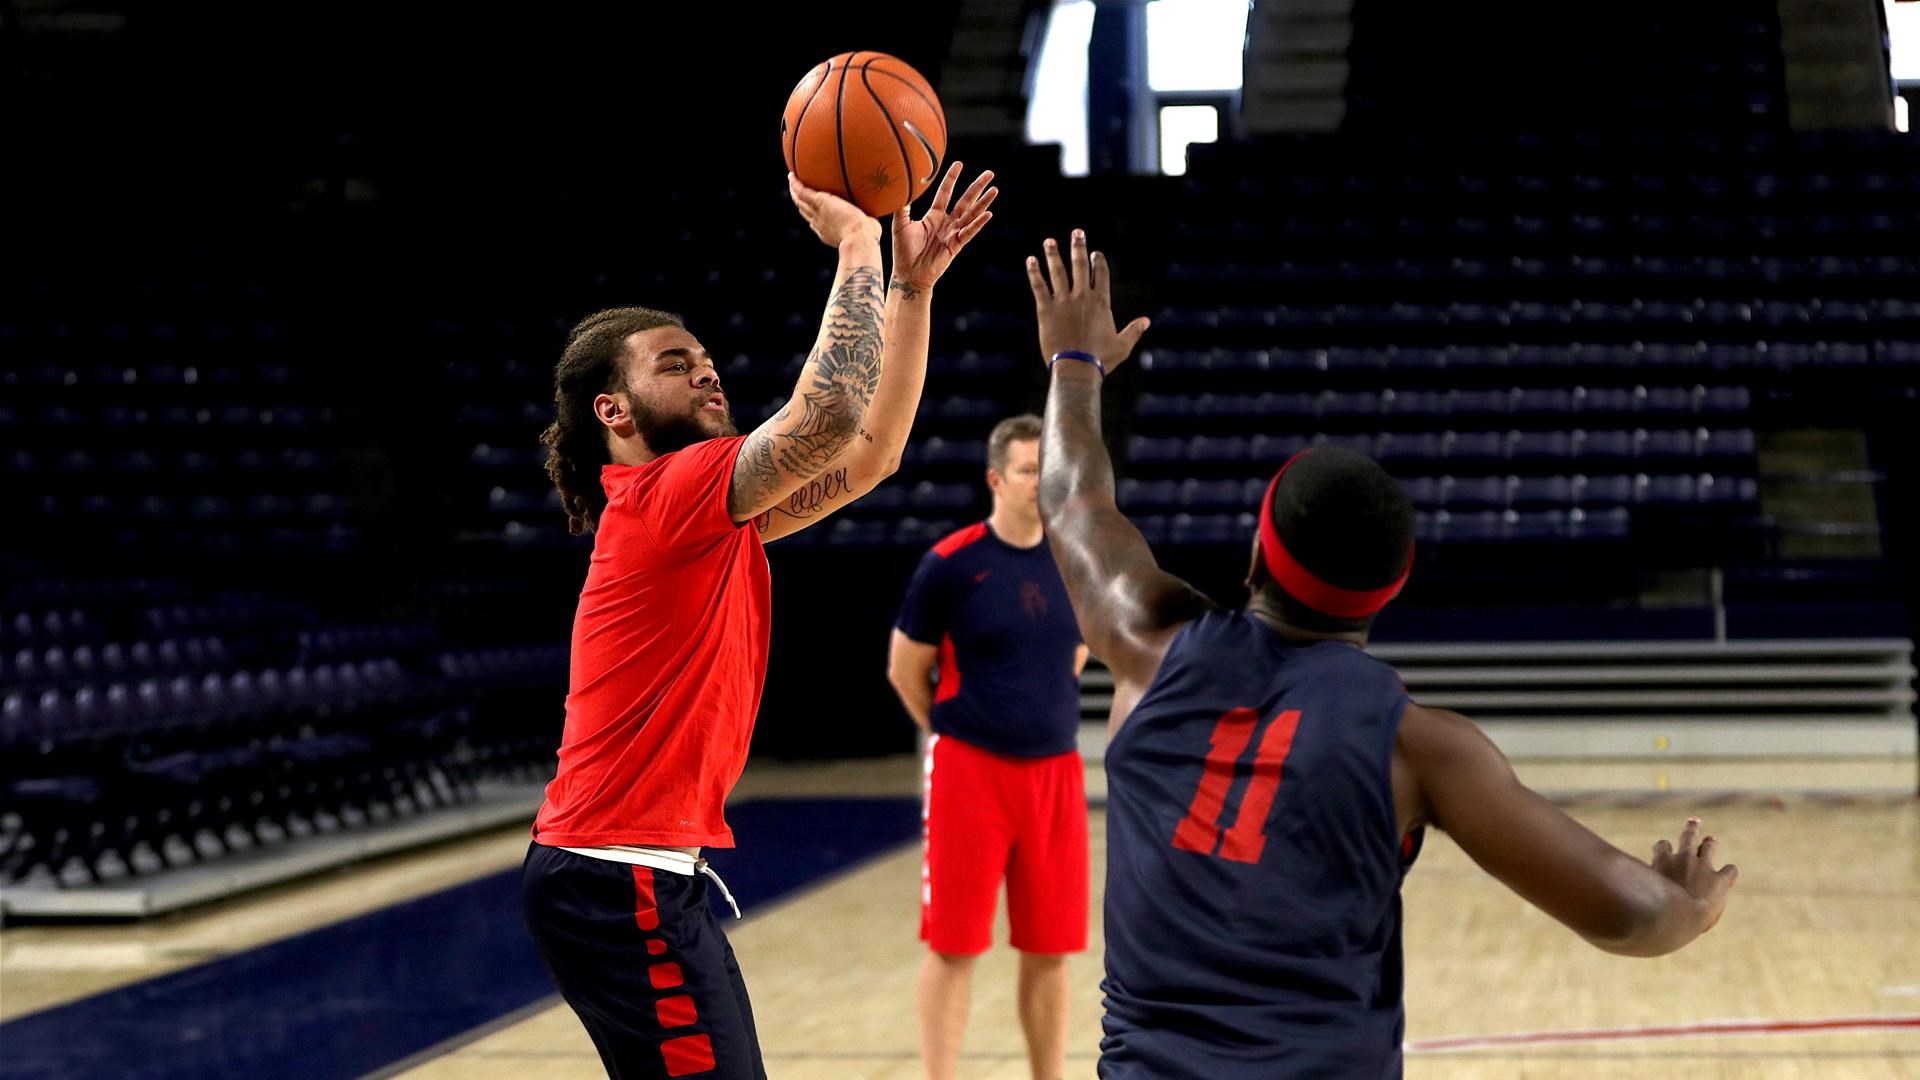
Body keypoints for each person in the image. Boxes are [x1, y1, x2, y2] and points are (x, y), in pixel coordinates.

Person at [1023, 228, 1739, 1079]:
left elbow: (1073, 500)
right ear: (1389, 594)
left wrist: (1075, 361)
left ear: (1255, 559)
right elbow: (1628, 915)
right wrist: (1688, 906)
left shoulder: (1148, 644)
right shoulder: (1422, 747)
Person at [519, 163, 996, 1080]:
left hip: (631, 876)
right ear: (612, 411)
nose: (705, 369)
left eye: (703, 358)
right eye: (673, 363)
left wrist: (913, 289)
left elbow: (871, 454)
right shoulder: (667, 493)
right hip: (619, 877)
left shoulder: (708, 511)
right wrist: (859, 244)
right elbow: (825, 418)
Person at [886, 414, 1091, 1080]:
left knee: (1052, 949)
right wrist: (952, 728)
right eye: (1029, 471)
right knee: (954, 947)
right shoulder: (950, 564)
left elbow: (1075, 654)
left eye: (1048, 470)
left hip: (1056, 774)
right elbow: (904, 670)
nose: (1041, 483)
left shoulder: (1076, 558)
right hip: (969, 772)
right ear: (997, 479)